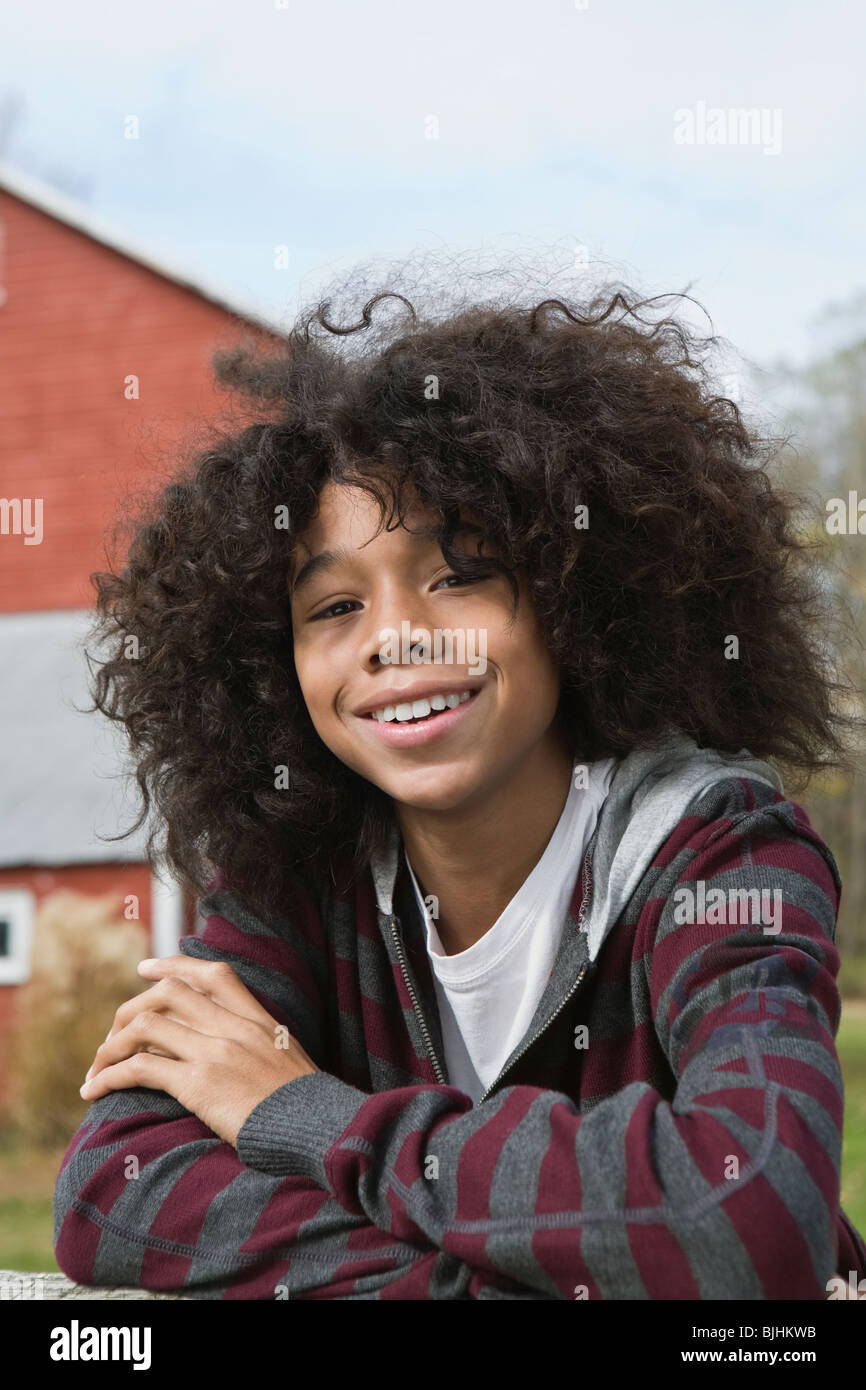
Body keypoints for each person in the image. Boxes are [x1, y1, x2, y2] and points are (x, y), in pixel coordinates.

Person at [53, 280, 866, 1299]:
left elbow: (748, 1216)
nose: (396, 636)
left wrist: (304, 1113)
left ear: (575, 596)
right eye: (335, 605)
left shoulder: (719, 852)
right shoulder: (296, 868)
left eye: (458, 574)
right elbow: (114, 1197)